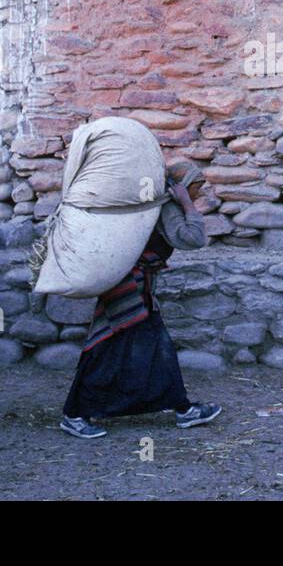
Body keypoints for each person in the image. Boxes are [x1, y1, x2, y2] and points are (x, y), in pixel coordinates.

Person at [59, 159, 221, 440]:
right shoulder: (168, 207)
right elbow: (192, 238)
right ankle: (74, 414)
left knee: (149, 346)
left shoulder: (155, 204)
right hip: (127, 286)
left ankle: (182, 408)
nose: (200, 194)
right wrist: (186, 204)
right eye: (197, 187)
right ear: (182, 187)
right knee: (107, 346)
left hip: (130, 284)